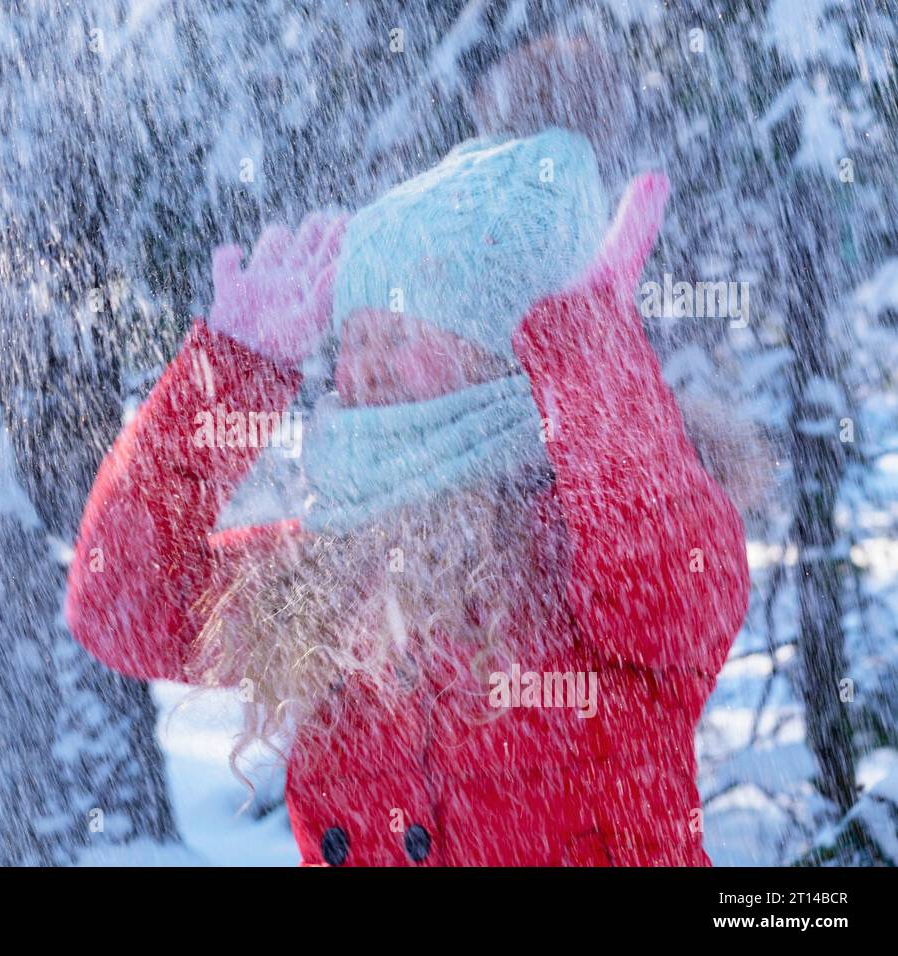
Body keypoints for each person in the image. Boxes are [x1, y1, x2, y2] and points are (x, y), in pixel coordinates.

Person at [65, 40, 751, 867]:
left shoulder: (592, 545)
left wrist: (595, 369)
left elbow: (668, 594)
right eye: (351, 335)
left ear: (507, 350)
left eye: (402, 329)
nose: (363, 366)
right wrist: (229, 378)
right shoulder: (326, 576)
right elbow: (121, 603)